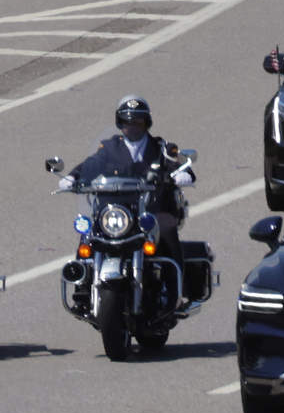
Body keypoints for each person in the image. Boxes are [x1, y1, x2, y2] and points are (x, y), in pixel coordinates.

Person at [60, 96, 195, 292]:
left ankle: (175, 289)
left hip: (152, 210)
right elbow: (91, 164)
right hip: (117, 210)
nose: (132, 127)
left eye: (137, 122)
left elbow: (178, 163)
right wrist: (72, 177)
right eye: (127, 122)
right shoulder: (110, 147)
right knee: (89, 234)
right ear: (120, 123)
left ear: (146, 123)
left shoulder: (161, 148)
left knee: (167, 228)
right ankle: (82, 288)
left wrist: (182, 174)